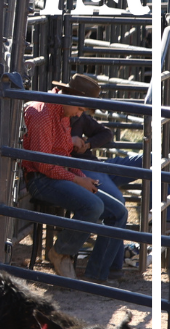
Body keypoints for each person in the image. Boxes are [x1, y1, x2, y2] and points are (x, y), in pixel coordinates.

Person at [21, 73, 128, 282]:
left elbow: (62, 155)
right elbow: (43, 164)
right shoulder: (42, 114)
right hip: (40, 179)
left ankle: (96, 276)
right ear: (71, 97)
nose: (80, 115)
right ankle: (61, 253)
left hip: (58, 175)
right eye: (80, 109)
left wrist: (80, 176)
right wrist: (79, 180)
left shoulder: (62, 114)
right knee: (94, 206)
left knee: (119, 211)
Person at [69, 109, 125, 274]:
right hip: (80, 172)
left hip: (92, 168)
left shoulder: (77, 115)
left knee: (150, 160)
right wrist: (70, 141)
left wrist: (87, 144)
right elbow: (52, 147)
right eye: (79, 108)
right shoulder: (57, 116)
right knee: (117, 209)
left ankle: (167, 217)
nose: (80, 113)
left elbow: (107, 133)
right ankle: (103, 269)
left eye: (83, 109)